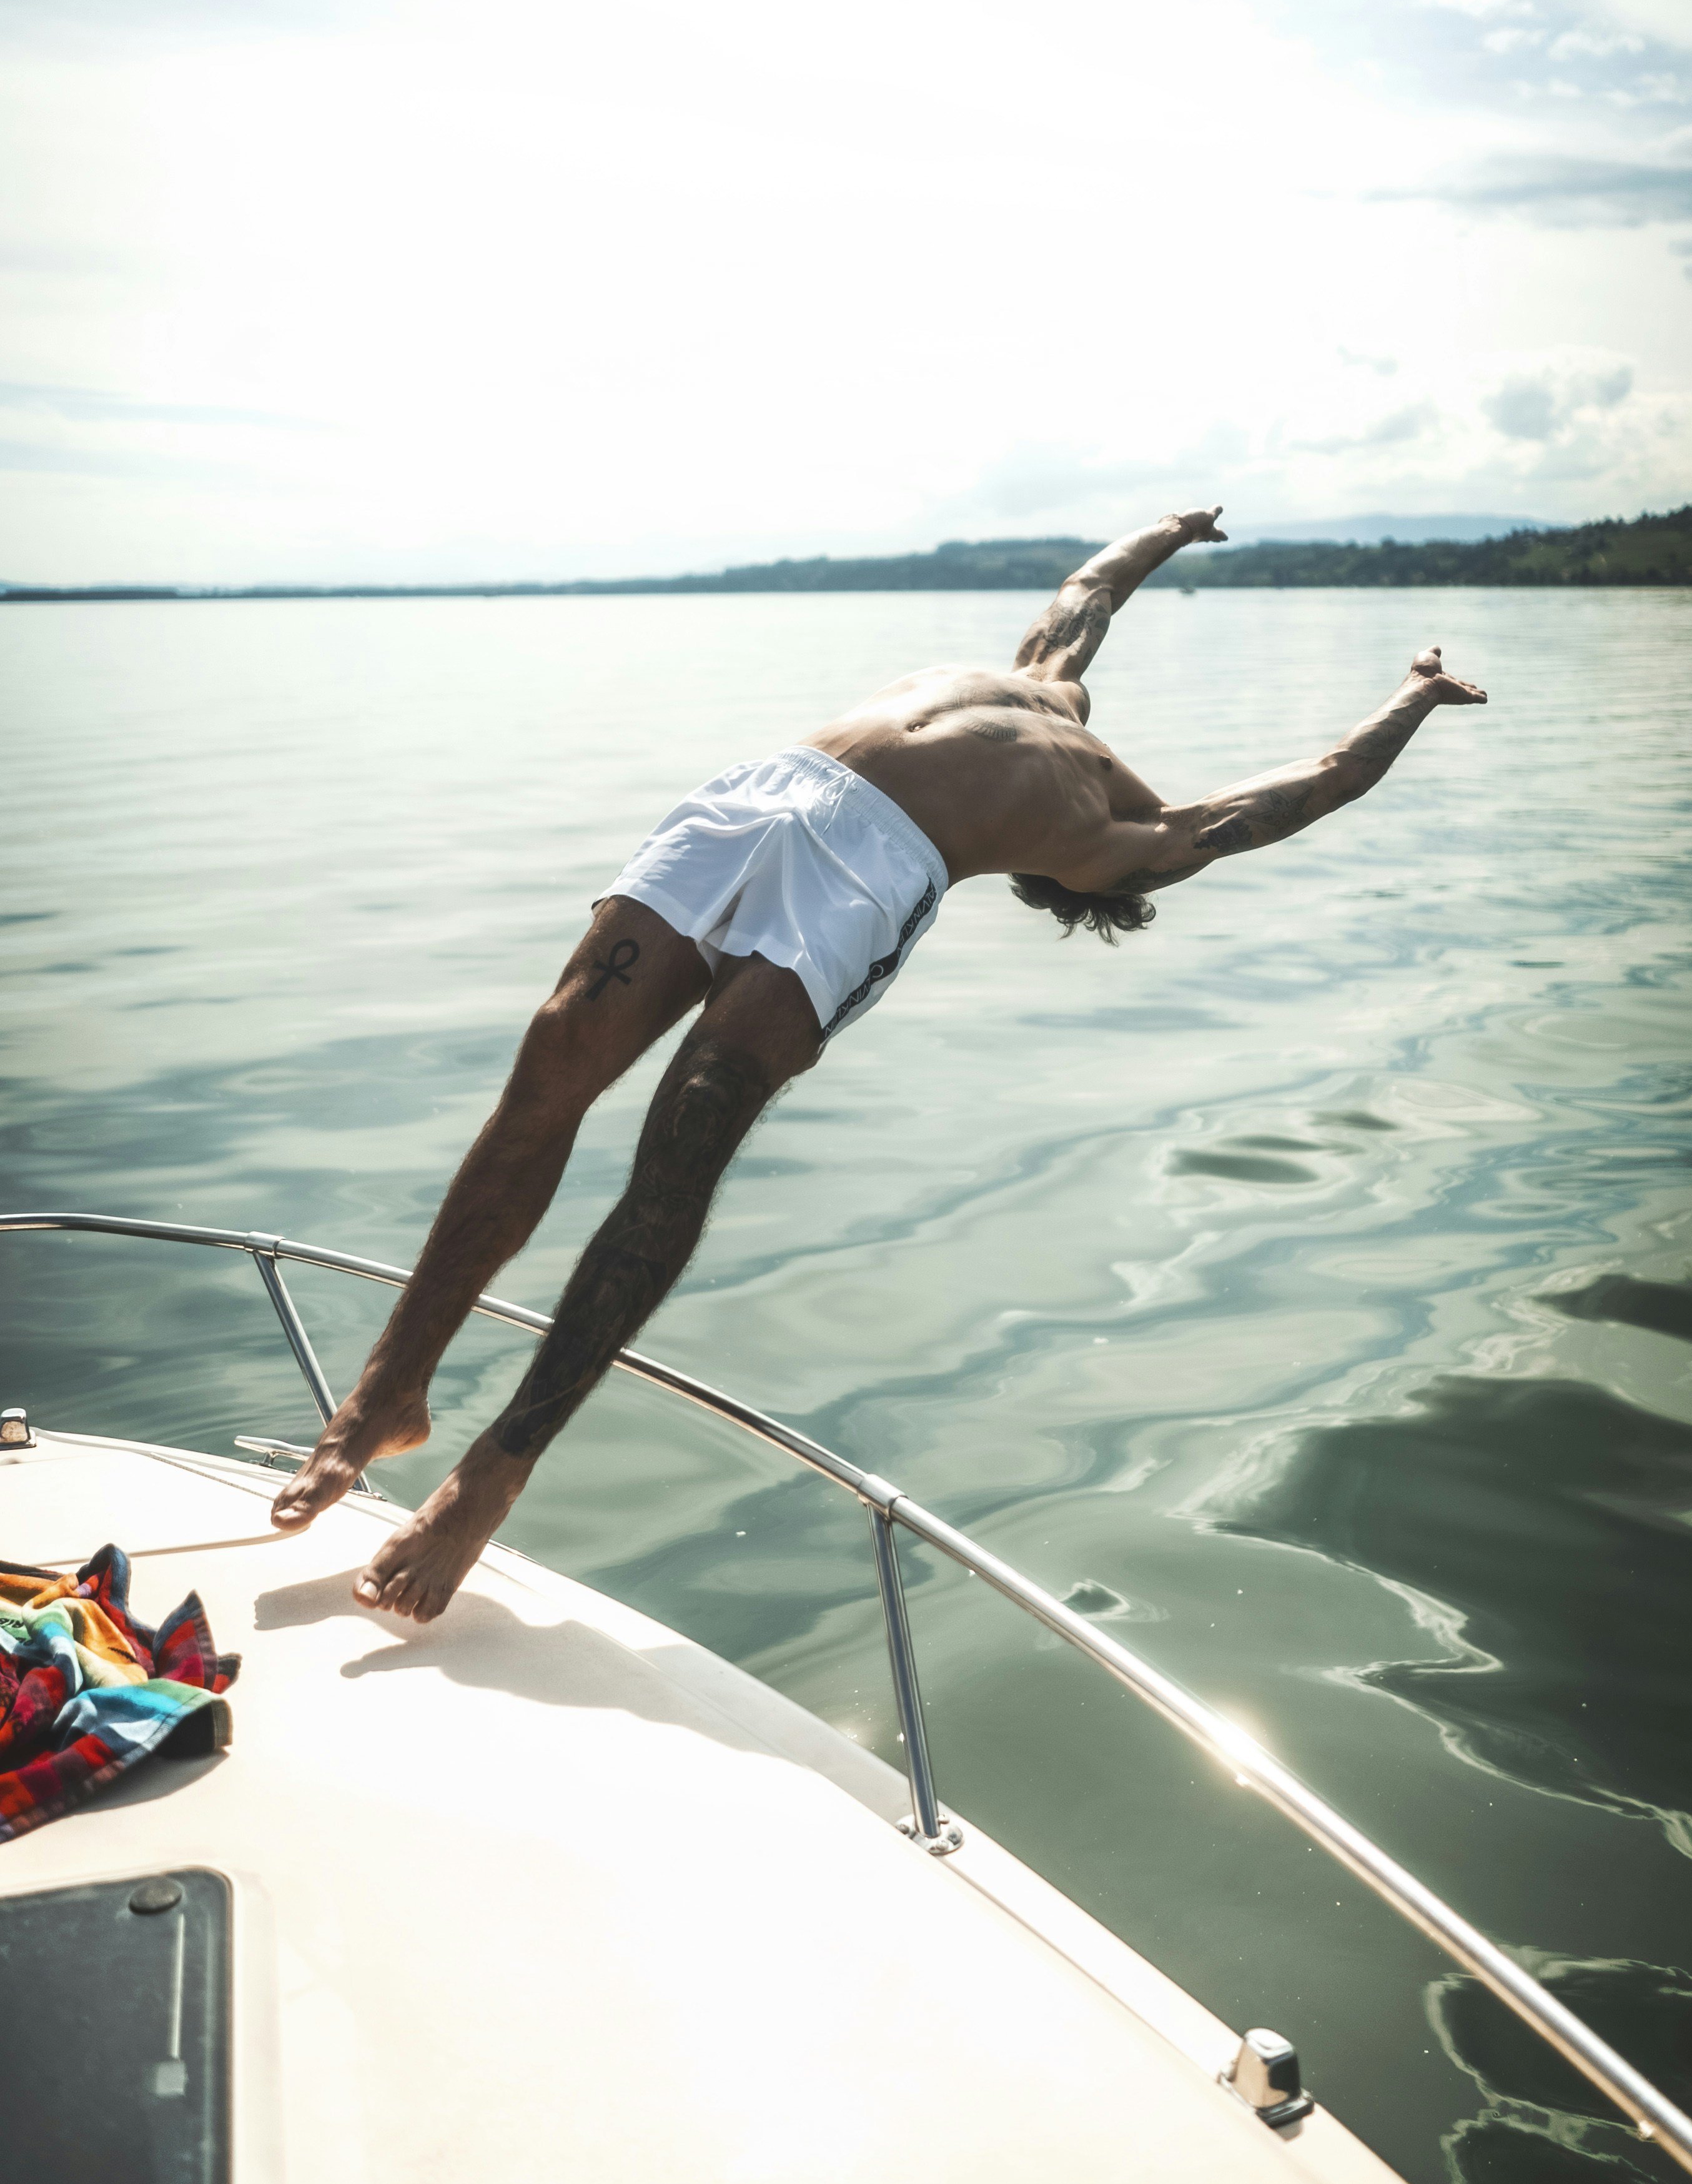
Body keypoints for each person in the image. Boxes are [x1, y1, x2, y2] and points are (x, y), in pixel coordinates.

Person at [270, 507, 1486, 1618]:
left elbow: (1314, 788)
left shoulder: (1125, 845)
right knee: (550, 1064)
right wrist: (1172, 529)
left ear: (1081, 886)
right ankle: (392, 1389)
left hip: (872, 870)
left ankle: (494, 1471)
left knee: (687, 1134)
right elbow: (1092, 586)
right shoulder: (1049, 680)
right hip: (761, 797)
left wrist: (1414, 697)